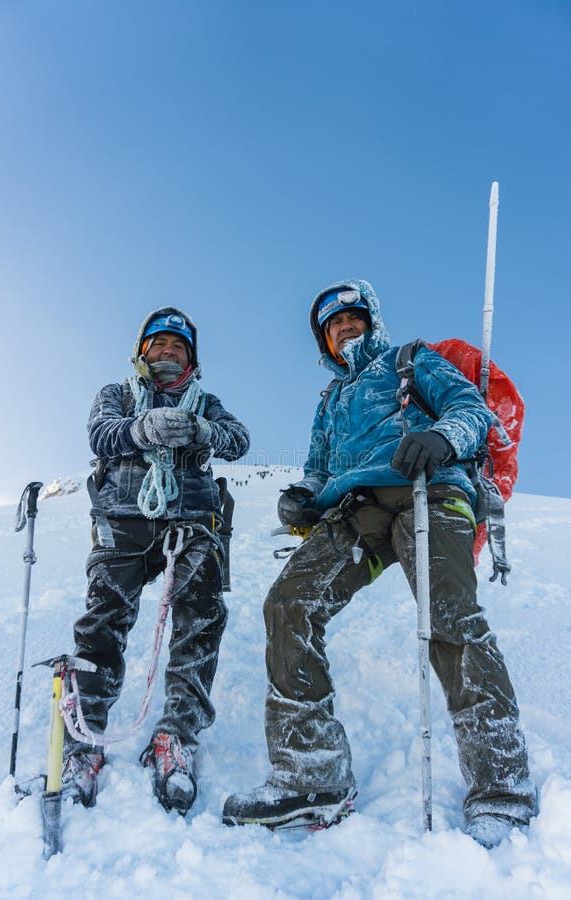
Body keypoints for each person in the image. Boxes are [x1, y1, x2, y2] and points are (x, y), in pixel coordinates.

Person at [222, 279, 538, 847]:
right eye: (332, 323)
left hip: (430, 487)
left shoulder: (410, 360)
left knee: (449, 614)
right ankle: (312, 774)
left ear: (370, 318)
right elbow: (319, 469)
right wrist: (302, 495)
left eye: (352, 316)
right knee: (289, 603)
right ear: (323, 337)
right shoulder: (330, 401)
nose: (344, 326)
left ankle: (501, 786)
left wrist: (442, 438)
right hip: (355, 508)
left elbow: (469, 409)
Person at [61, 306, 249, 814]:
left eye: (179, 347)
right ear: (143, 351)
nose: (168, 353)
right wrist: (140, 429)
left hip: (192, 522)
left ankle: (177, 737)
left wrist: (204, 432)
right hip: (123, 519)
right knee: (101, 626)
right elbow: (100, 434)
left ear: (191, 359)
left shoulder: (206, 403)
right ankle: (83, 743)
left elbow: (239, 440)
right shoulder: (117, 395)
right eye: (159, 345)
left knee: (200, 620)